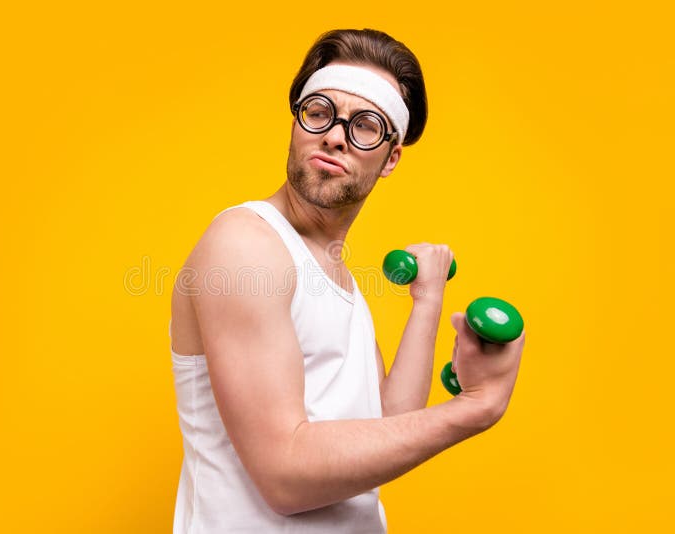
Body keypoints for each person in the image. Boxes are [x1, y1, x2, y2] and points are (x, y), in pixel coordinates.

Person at [169, 28, 525, 533]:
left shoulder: (334, 273)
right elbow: (284, 475)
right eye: (319, 112)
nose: (335, 135)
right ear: (297, 122)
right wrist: (475, 408)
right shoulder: (245, 245)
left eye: (365, 126)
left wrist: (427, 300)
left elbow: (386, 426)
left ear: (391, 158)